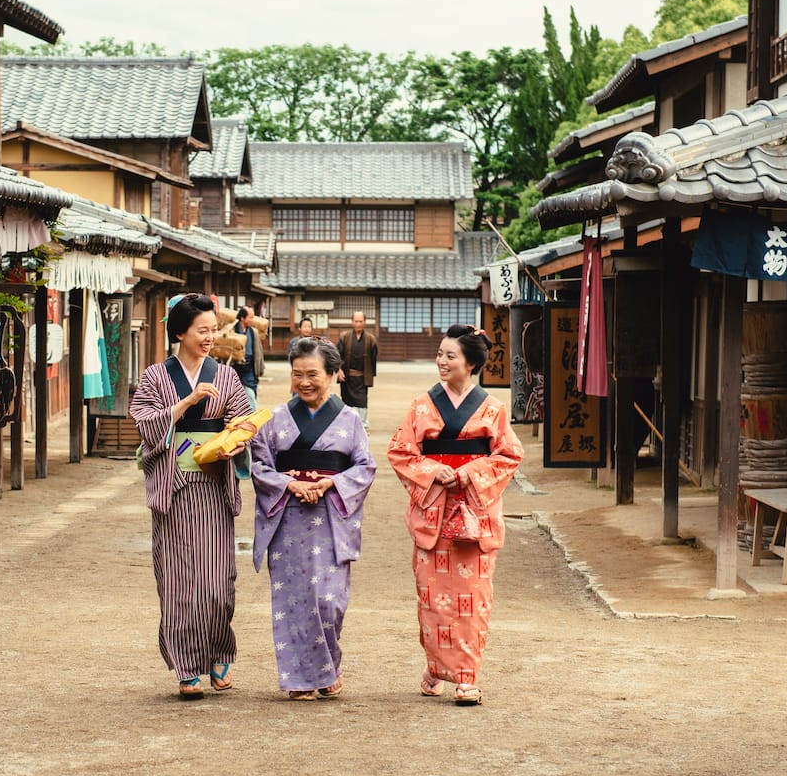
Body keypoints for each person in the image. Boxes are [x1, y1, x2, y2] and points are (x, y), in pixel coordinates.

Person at [387, 325, 523, 706]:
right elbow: (400, 452)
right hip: (434, 511)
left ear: (472, 363)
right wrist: (432, 471)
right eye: (440, 354)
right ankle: (435, 666)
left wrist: (468, 473)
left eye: (451, 356)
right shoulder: (421, 406)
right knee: (432, 600)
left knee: (474, 598)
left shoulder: (493, 409)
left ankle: (466, 676)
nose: (441, 361)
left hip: (473, 515)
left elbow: (510, 454)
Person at [130, 293, 257, 701]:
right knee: (181, 582)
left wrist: (236, 442)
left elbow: (242, 420)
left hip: (214, 486)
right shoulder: (155, 377)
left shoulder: (226, 375)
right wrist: (185, 403)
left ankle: (219, 652)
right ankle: (187, 667)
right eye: (202, 330)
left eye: (214, 330)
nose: (210, 337)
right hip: (175, 489)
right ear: (180, 332)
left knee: (219, 582)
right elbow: (144, 421)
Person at [249, 338, 376, 701]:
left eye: (313, 374)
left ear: (334, 375)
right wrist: (289, 483)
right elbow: (259, 466)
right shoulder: (273, 420)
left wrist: (330, 483)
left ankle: (327, 666)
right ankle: (300, 679)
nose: (304, 381)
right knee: (292, 601)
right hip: (288, 517)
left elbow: (365, 467)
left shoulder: (350, 420)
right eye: (297, 374)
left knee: (328, 601)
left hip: (332, 516)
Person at [336, 311, 379, 427]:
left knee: (362, 400)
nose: (358, 324)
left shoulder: (371, 339)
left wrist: (371, 374)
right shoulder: (344, 337)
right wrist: (339, 370)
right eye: (356, 321)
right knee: (346, 399)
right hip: (347, 375)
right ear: (352, 322)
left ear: (364, 322)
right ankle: (346, 421)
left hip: (362, 376)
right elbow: (337, 355)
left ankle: (363, 423)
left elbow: (373, 358)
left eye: (361, 321)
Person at [230, 305, 263, 407]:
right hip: (234, 367)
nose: (253, 320)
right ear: (242, 318)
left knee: (250, 393)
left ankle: (252, 418)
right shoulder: (232, 330)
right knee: (234, 395)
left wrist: (260, 367)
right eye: (250, 317)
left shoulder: (253, 332)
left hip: (249, 367)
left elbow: (259, 351)